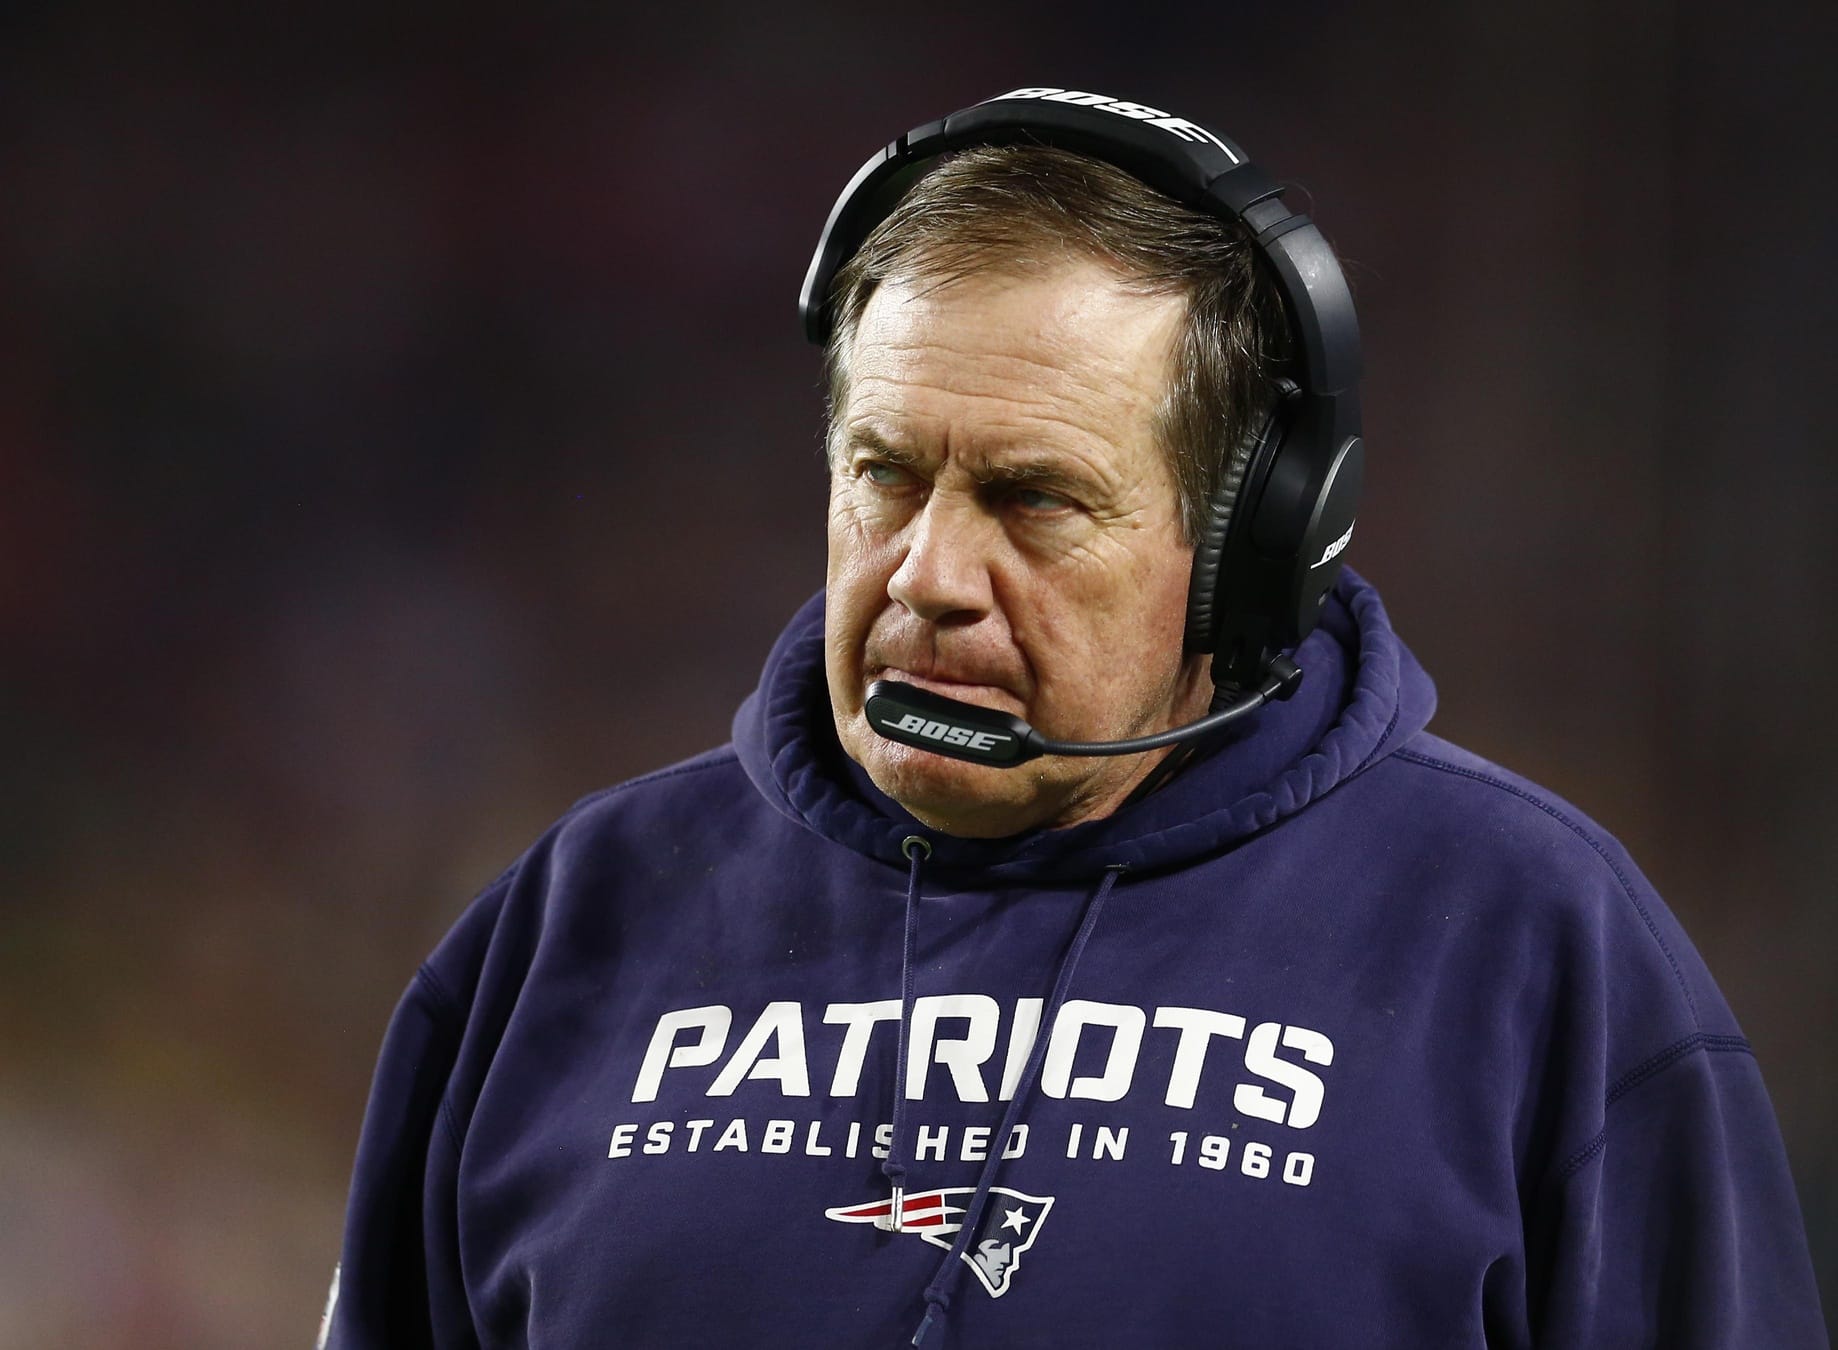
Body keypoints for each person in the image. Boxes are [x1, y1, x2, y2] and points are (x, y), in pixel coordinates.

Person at [321, 89, 1827, 1349]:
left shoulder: (1531, 946)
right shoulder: (568, 926)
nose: (930, 574)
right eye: (884, 474)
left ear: (1249, 550)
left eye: (1034, 498)